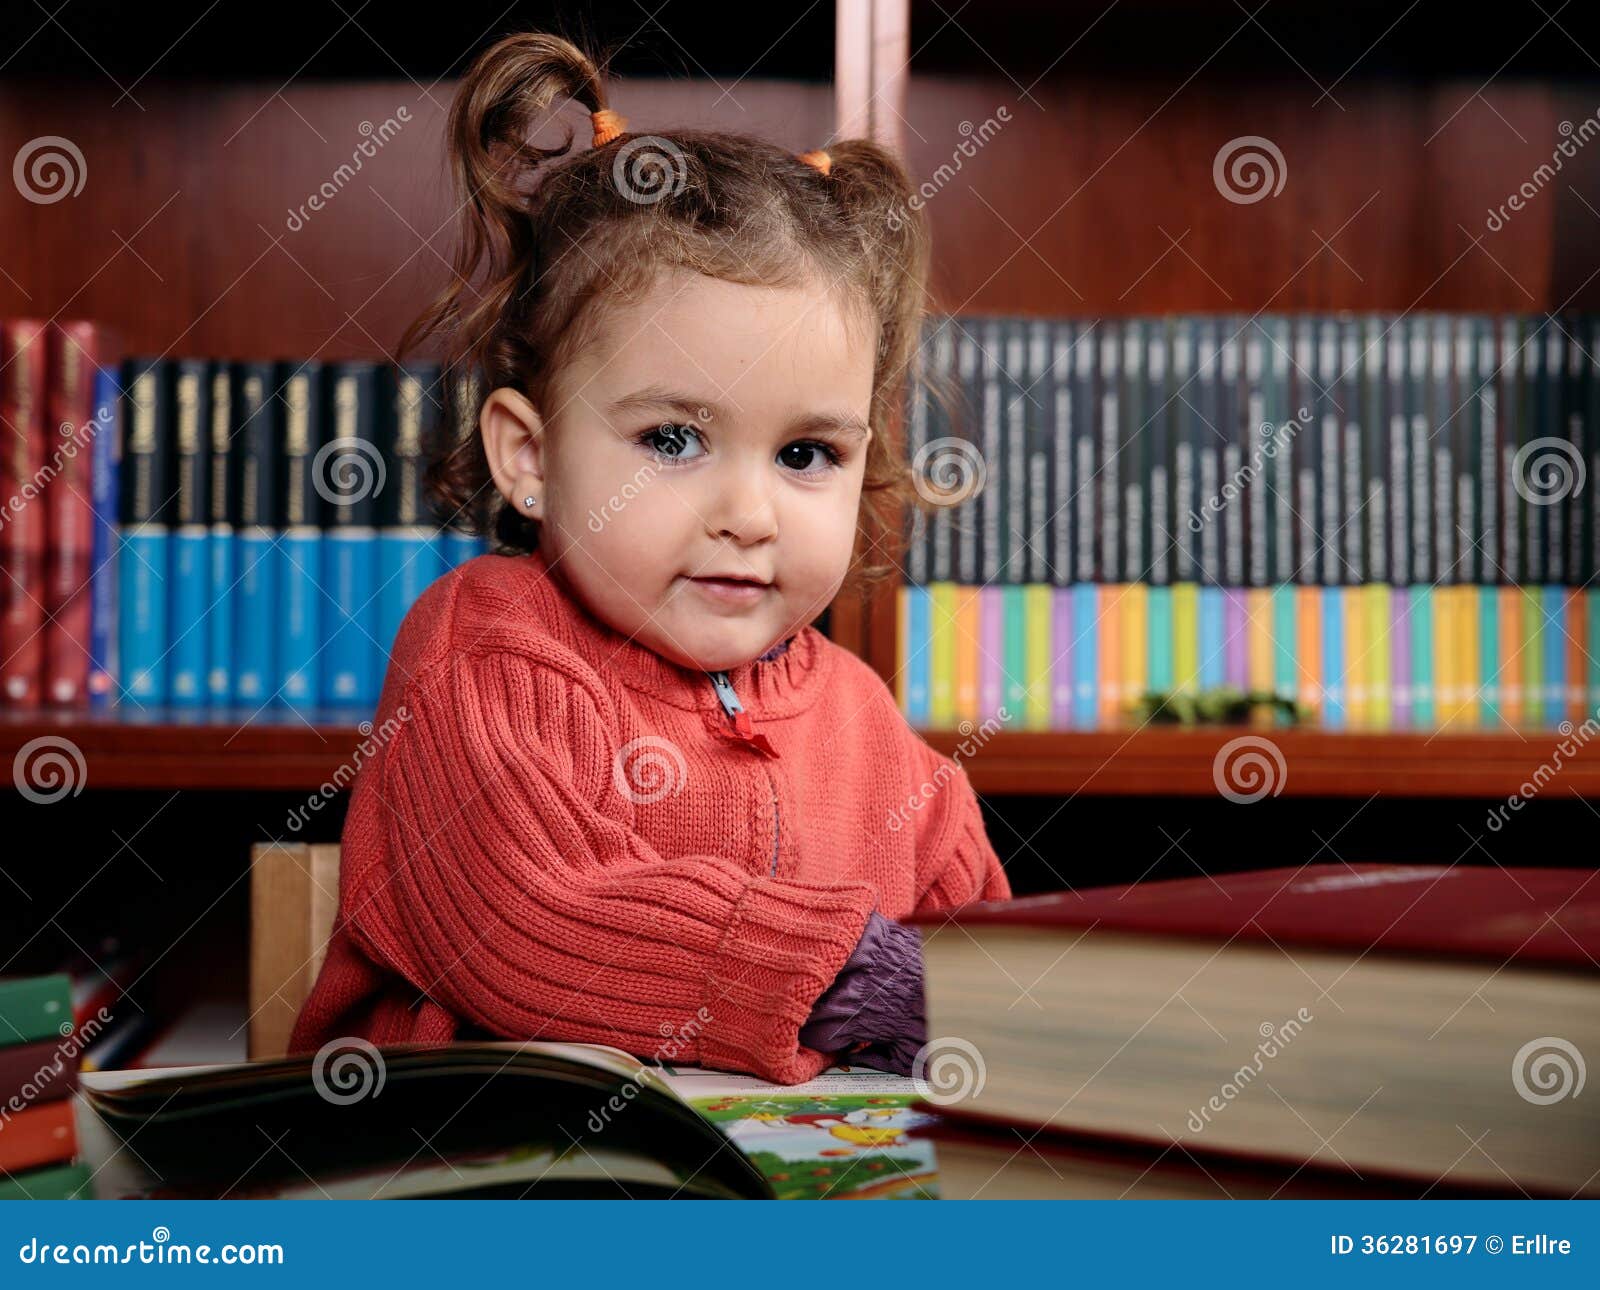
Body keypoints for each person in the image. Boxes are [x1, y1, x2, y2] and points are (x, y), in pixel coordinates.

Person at [288, 31, 1010, 1084]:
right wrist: (854, 978)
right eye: (672, 440)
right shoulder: (483, 651)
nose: (748, 515)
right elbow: (527, 923)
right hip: (477, 1166)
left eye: (805, 454)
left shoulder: (869, 725)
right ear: (531, 457)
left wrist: (1003, 1010)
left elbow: (998, 982)